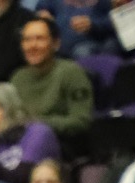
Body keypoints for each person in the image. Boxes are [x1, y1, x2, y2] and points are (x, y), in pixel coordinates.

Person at [8, 16, 91, 145]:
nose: (32, 46)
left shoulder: (71, 73)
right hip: (23, 146)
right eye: (27, 40)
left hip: (62, 147)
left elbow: (81, 121)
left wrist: (37, 124)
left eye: (40, 39)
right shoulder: (18, 78)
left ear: (55, 44)